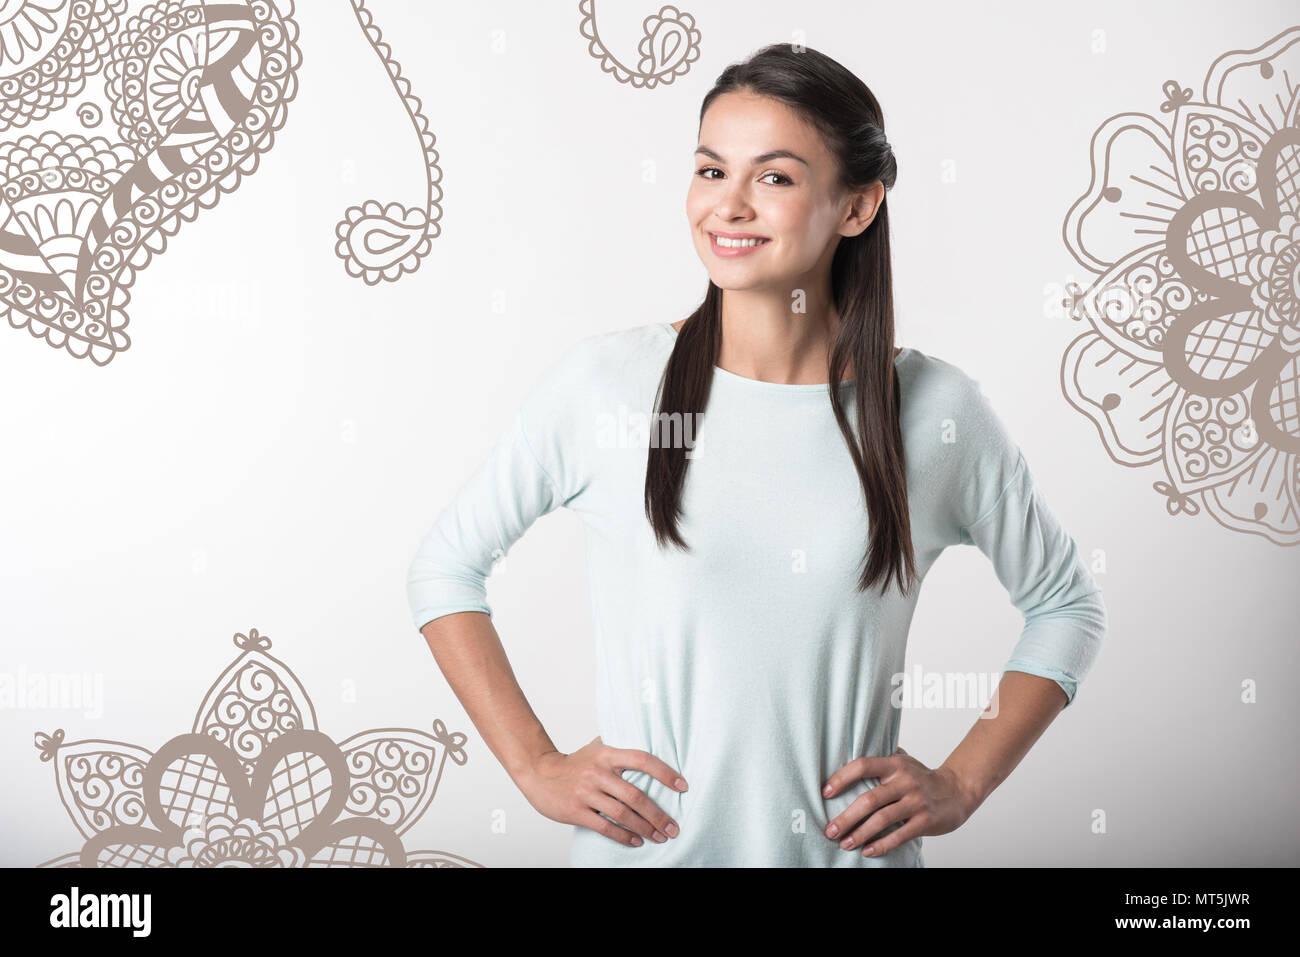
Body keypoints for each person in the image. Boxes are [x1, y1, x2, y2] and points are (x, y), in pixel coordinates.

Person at [406, 43, 1107, 867]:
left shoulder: (935, 412)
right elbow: (445, 568)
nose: (727, 207)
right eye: (710, 171)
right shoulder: (604, 388)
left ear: (857, 206)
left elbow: (1066, 607)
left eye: (774, 177)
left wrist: (962, 781)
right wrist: (535, 764)